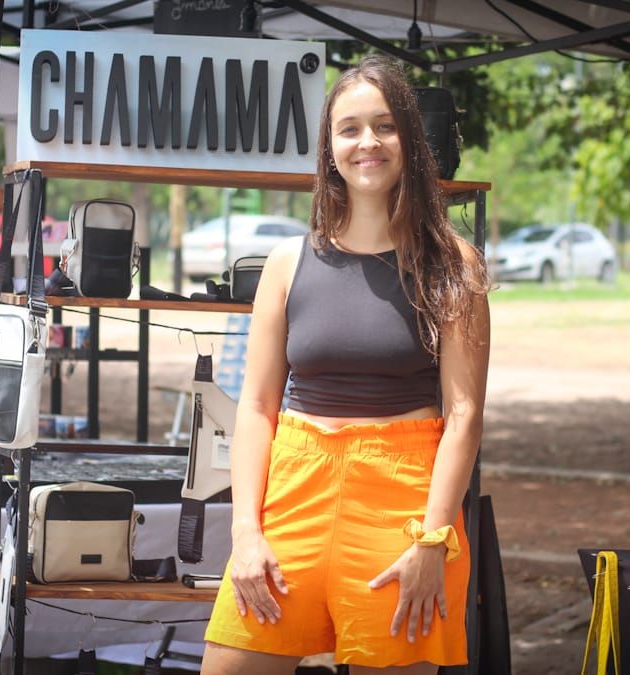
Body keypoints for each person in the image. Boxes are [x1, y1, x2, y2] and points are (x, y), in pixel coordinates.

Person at [201, 55, 491, 675]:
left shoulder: (453, 264)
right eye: (349, 128)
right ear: (329, 146)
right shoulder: (284, 262)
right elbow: (254, 408)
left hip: (405, 507)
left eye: (385, 126)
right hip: (294, 495)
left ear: (409, 140)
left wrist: (435, 540)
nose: (368, 143)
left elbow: (464, 415)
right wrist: (244, 534)